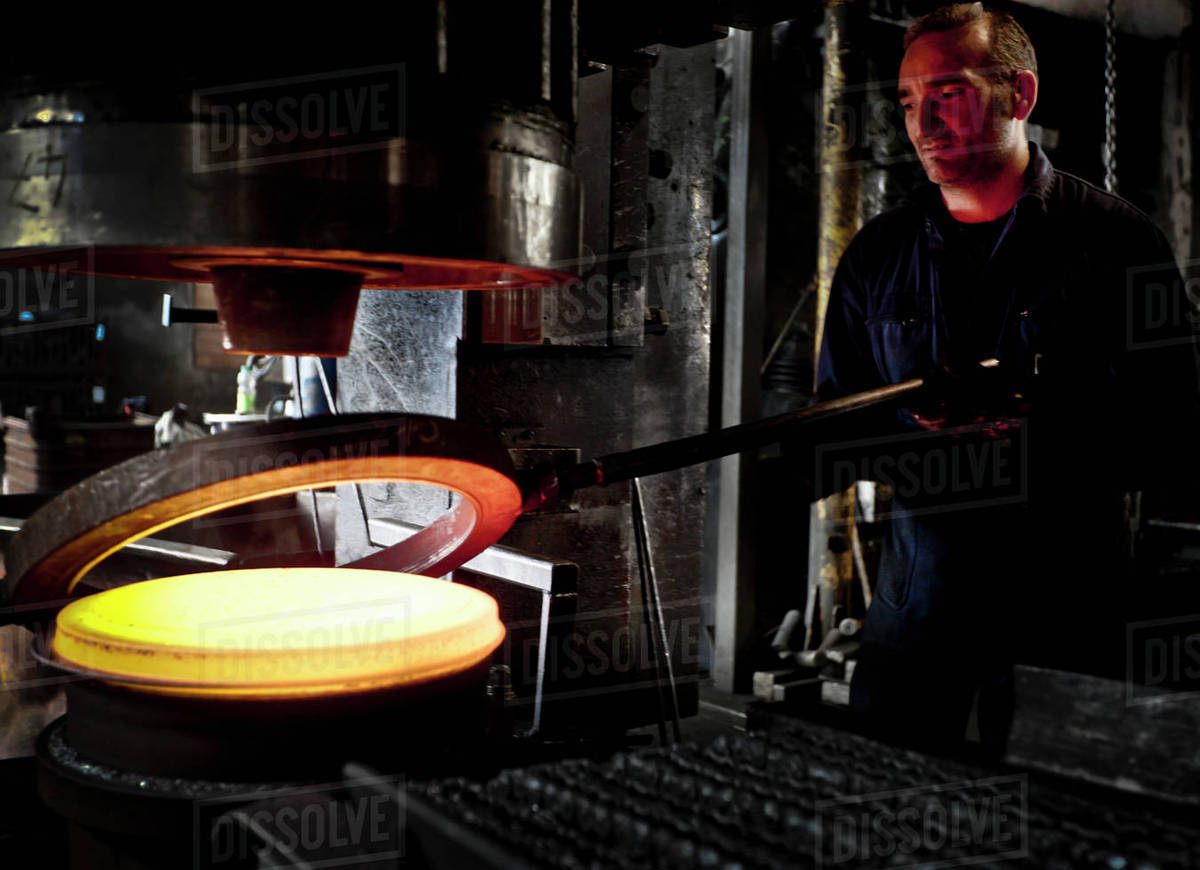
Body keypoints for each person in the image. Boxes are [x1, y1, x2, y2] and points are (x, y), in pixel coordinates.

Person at [815, 2, 1199, 749]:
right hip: (916, 610)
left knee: (1062, 818)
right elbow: (838, 427)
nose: (922, 122)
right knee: (889, 801)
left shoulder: (1120, 243)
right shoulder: (876, 255)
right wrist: (921, 432)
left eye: (948, 93)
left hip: (1067, 607)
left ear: (1019, 96)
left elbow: (1176, 432)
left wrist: (1038, 428)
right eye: (908, 101)